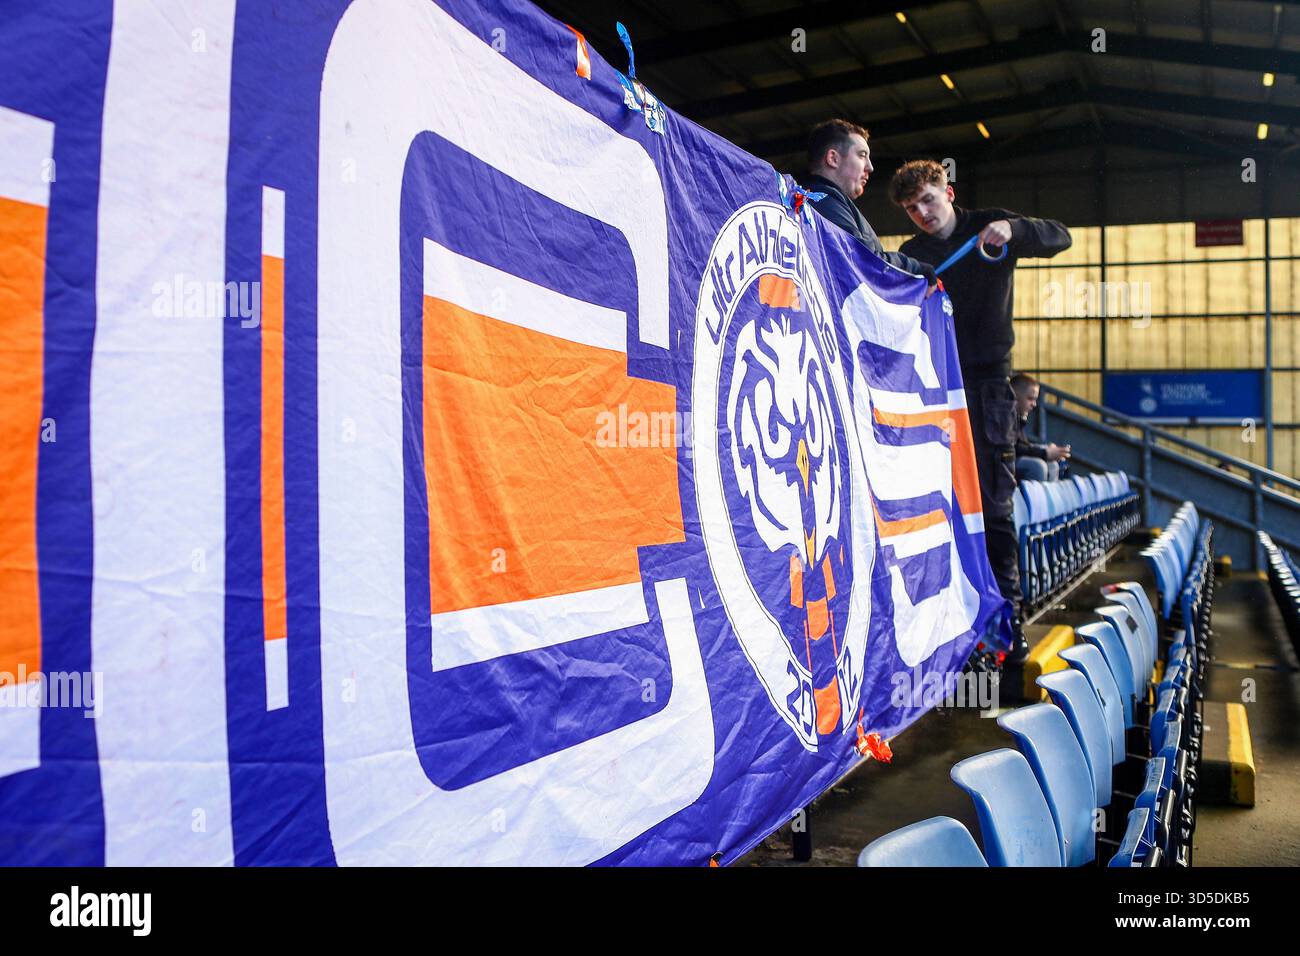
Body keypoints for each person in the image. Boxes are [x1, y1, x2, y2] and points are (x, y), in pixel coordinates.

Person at [888, 159, 1072, 663]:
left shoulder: (989, 227)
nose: (921, 212)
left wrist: (1014, 227)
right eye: (910, 208)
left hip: (989, 387)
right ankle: (954, 632)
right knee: (941, 512)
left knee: (994, 510)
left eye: (927, 199)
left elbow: (1060, 237)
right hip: (936, 390)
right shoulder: (913, 254)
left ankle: (1005, 635)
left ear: (949, 189)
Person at [803, 120, 937, 290]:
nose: (870, 167)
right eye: (861, 155)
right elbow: (866, 262)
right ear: (833, 158)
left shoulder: (828, 201)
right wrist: (918, 269)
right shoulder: (822, 201)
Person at [1011, 373, 1070, 481]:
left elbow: (1022, 445)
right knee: (1037, 467)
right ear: (1015, 396)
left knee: (1052, 464)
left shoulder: (1019, 418)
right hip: (1002, 463)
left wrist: (1045, 449)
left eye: (1035, 400)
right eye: (1030, 399)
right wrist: (1045, 453)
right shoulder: (1005, 416)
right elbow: (1013, 447)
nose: (1034, 404)